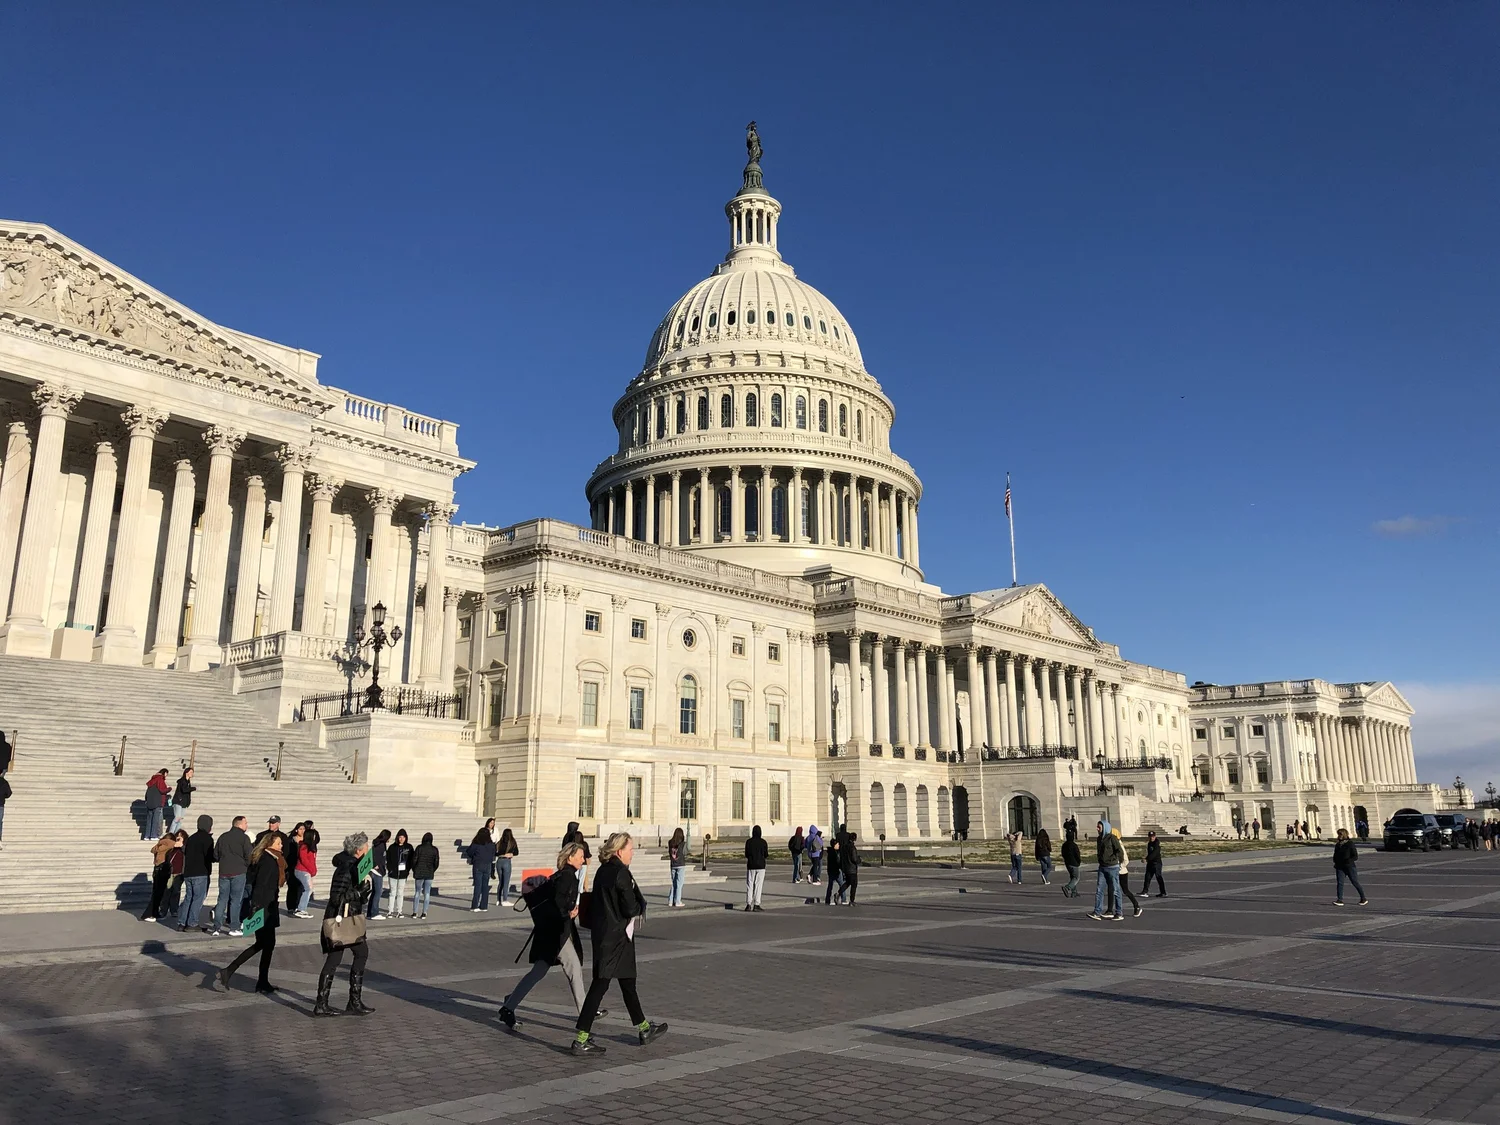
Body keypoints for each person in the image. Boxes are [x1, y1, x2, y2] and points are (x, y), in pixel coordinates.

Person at [571, 832, 668, 1055]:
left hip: (605, 936)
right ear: (619, 851)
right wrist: (640, 905)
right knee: (600, 986)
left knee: (627, 984)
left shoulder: (603, 871)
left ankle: (644, 1029)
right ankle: (581, 1039)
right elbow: (630, 908)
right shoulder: (621, 873)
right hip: (617, 938)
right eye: (630, 849)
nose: (632, 853)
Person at [499, 842, 604, 1029]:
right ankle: (586, 1011)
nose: (583, 859)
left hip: (547, 931)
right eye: (580, 856)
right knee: (573, 966)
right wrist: (570, 912)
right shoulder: (568, 876)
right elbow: (559, 903)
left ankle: (509, 1005)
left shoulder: (562, 875)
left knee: (538, 972)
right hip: (556, 932)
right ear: (570, 857)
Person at [314, 832, 375, 1016]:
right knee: (334, 959)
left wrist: (364, 893)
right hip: (340, 920)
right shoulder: (345, 868)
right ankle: (322, 1004)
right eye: (366, 847)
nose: (368, 850)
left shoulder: (356, 867)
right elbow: (336, 898)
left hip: (351, 918)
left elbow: (356, 896)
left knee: (361, 952)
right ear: (358, 851)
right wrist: (357, 893)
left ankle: (354, 1001)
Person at [218, 832, 286, 995]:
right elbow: (261, 886)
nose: (281, 845)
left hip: (267, 906)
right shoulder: (268, 861)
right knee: (265, 944)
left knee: (265, 944)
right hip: (264, 908)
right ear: (270, 843)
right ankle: (232, 971)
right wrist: (256, 908)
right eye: (279, 843)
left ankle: (260, 981)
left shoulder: (270, 858)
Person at [212, 815, 253, 936]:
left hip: (224, 872)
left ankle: (216, 927)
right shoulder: (244, 838)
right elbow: (249, 855)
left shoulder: (223, 837)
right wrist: (245, 865)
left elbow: (215, 855)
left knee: (222, 899)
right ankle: (234, 927)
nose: (247, 825)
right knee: (236, 900)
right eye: (245, 823)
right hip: (239, 872)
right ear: (239, 824)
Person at [178, 814, 215, 932]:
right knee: (198, 898)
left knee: (189, 897)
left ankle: (181, 922)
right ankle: (192, 923)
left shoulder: (191, 838)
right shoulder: (207, 839)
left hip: (189, 872)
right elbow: (209, 856)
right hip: (201, 872)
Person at [1088, 819, 1124, 922]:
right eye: (1097, 827)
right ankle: (1097, 912)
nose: (1097, 829)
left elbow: (1119, 851)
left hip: (1112, 867)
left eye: (1099, 827)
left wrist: (1117, 861)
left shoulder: (1112, 838)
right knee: (1099, 890)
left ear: (1105, 827)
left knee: (1116, 890)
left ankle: (1119, 912)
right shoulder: (1099, 839)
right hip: (1102, 867)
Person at [142, 830, 178, 921]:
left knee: (158, 893)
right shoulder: (167, 845)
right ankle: (148, 914)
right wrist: (177, 840)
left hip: (158, 870)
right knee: (157, 894)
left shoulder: (160, 845)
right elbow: (175, 844)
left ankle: (154, 913)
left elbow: (153, 850)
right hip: (162, 870)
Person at [1332, 828, 1368, 907]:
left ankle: (1363, 898)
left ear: (1344, 835)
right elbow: (1335, 854)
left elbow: (1355, 856)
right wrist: (1335, 860)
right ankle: (1340, 900)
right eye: (1338, 834)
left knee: (1355, 882)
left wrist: (1348, 861)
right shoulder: (1338, 844)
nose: (1339, 836)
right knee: (1340, 883)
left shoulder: (1350, 844)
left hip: (1349, 866)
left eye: (1340, 834)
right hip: (1339, 866)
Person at [469, 819, 497, 912]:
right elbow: (493, 854)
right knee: (485, 886)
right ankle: (484, 906)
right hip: (488, 865)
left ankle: (475, 906)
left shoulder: (476, 843)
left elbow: (469, 852)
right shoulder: (491, 845)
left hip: (478, 864)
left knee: (478, 886)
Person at [386, 829, 414, 918]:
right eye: (400, 837)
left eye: (403, 837)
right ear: (397, 837)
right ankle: (390, 911)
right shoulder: (392, 847)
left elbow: (411, 860)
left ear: (406, 838)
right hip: (393, 874)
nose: (401, 839)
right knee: (392, 892)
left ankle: (399, 911)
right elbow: (388, 859)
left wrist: (407, 870)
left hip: (403, 874)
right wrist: (390, 869)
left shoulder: (409, 847)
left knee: (400, 893)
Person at [412, 831, 440, 919]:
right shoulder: (434, 849)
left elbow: (414, 860)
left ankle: (415, 912)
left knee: (417, 892)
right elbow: (436, 862)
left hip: (419, 872)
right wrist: (432, 870)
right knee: (427, 893)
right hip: (429, 873)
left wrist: (414, 869)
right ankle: (424, 912)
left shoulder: (419, 848)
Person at [1115, 829, 1143, 918]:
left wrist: (1118, 867)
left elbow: (1126, 860)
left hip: (1121, 872)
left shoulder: (1119, 845)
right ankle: (1113, 911)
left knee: (1125, 890)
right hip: (1115, 871)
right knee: (1114, 891)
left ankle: (1136, 906)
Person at [293, 823, 318, 918]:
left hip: (306, 871)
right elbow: (304, 860)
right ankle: (301, 909)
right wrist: (312, 870)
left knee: (307, 889)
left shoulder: (310, 847)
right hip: (302, 870)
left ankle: (301, 908)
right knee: (308, 889)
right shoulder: (304, 847)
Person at [367, 829, 390, 919]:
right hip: (377, 871)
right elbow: (374, 855)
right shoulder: (379, 845)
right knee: (378, 892)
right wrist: (376, 865)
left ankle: (370, 912)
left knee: (375, 891)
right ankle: (374, 913)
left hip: (379, 870)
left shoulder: (380, 844)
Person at [744, 825, 768, 911]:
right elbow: (766, 854)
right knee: (758, 885)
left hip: (751, 865)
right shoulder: (763, 842)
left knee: (750, 884)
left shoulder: (748, 842)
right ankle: (757, 904)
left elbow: (746, 854)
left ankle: (748, 904)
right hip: (761, 866)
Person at [142, 768, 170, 840]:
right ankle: (154, 835)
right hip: (158, 802)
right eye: (166, 774)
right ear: (164, 773)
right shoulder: (160, 780)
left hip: (150, 802)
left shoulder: (152, 780)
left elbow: (147, 792)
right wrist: (169, 789)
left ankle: (147, 835)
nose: (166, 776)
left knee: (149, 819)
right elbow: (162, 790)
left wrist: (147, 800)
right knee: (156, 820)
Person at [283, 823, 305, 913]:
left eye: (303, 829)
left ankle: (298, 906)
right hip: (292, 867)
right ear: (296, 830)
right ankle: (291, 907)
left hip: (302, 867)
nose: (302, 831)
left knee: (301, 887)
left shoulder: (306, 841)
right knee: (292, 887)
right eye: (300, 829)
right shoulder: (290, 840)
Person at [496, 828, 519, 906]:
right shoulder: (512, 842)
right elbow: (516, 852)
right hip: (506, 861)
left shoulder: (499, 842)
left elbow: (495, 853)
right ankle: (505, 900)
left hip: (499, 861)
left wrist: (501, 854)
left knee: (501, 881)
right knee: (506, 881)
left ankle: (498, 900)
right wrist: (511, 854)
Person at [169, 767, 195, 834]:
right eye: (191, 772)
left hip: (184, 803)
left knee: (180, 820)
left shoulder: (188, 782)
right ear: (186, 773)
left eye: (192, 772)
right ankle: (171, 833)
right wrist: (192, 788)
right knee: (177, 818)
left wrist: (188, 802)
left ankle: (176, 833)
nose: (192, 774)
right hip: (178, 802)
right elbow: (184, 790)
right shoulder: (182, 781)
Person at [824, 827, 846, 905]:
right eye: (837, 844)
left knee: (830, 886)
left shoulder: (830, 852)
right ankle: (843, 899)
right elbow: (837, 862)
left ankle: (827, 899)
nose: (838, 845)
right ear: (835, 845)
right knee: (842, 885)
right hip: (836, 871)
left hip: (830, 871)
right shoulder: (835, 853)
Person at [666, 828, 688, 907]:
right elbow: (685, 852)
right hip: (681, 864)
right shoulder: (682, 843)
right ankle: (677, 901)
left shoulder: (670, 842)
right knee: (679, 883)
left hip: (673, 864)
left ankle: (670, 900)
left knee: (674, 883)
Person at [1142, 831, 1166, 897]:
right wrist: (1146, 858)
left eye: (1153, 837)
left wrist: (1147, 859)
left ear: (1155, 836)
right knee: (1147, 877)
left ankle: (1163, 892)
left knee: (1159, 877)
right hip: (1150, 863)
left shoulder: (1157, 844)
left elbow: (1154, 854)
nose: (1151, 838)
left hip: (1156, 863)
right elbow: (1150, 853)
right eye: (1150, 837)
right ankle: (1145, 891)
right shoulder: (1149, 843)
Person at [1060, 827, 1082, 898]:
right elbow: (1077, 854)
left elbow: (1063, 854)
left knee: (1072, 877)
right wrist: (1078, 861)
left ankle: (1074, 892)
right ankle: (1067, 887)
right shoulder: (1074, 845)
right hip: (1074, 863)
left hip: (1067, 863)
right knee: (1076, 877)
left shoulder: (1064, 845)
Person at [842, 832, 861, 905]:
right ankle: (852, 900)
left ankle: (838, 893)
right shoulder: (852, 847)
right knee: (854, 885)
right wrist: (859, 860)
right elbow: (854, 859)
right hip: (852, 869)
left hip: (846, 867)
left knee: (847, 882)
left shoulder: (845, 846)